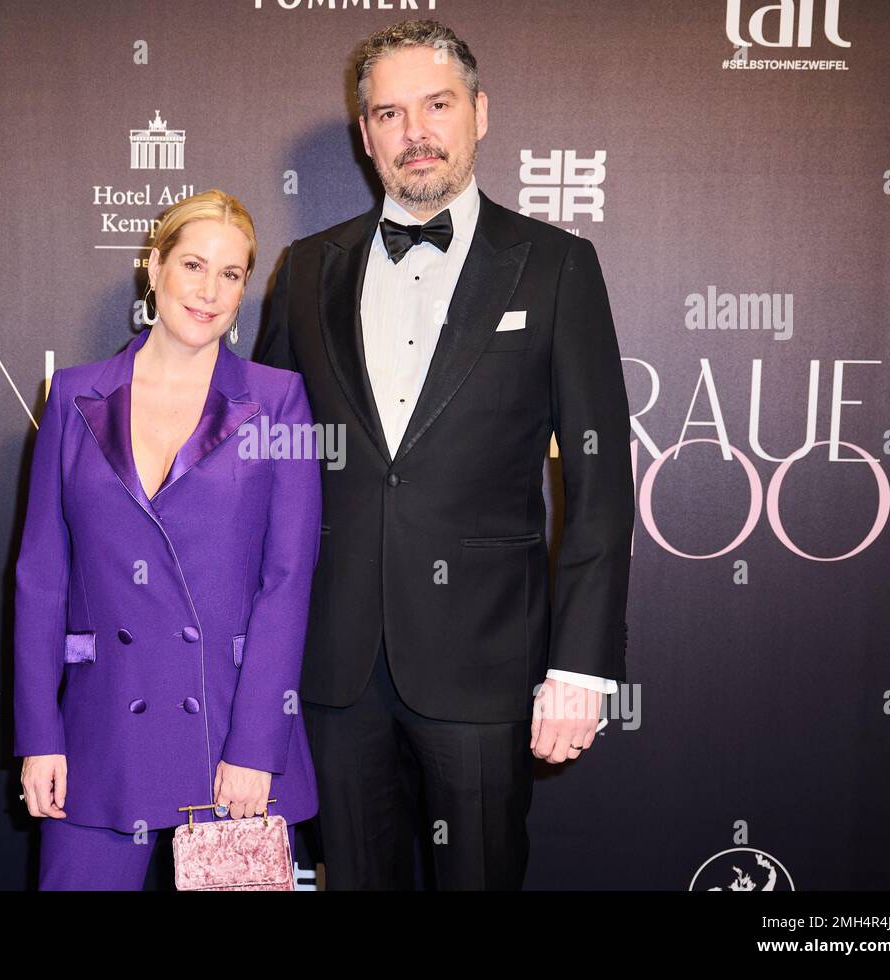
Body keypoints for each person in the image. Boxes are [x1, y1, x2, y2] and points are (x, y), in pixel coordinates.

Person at [254, 19, 634, 889]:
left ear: (479, 113)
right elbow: (268, 469)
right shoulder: (306, 269)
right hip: (333, 667)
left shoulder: (557, 266)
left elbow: (600, 478)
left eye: (437, 104)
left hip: (487, 662)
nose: (414, 132)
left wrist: (580, 665)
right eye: (389, 114)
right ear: (365, 135)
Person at [13, 190, 321, 890]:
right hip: (98, 744)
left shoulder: (280, 402)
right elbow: (41, 579)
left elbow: (288, 583)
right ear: (153, 267)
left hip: (230, 743)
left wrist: (257, 748)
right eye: (192, 265)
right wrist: (40, 737)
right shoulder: (72, 395)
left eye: (232, 274)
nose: (209, 291)